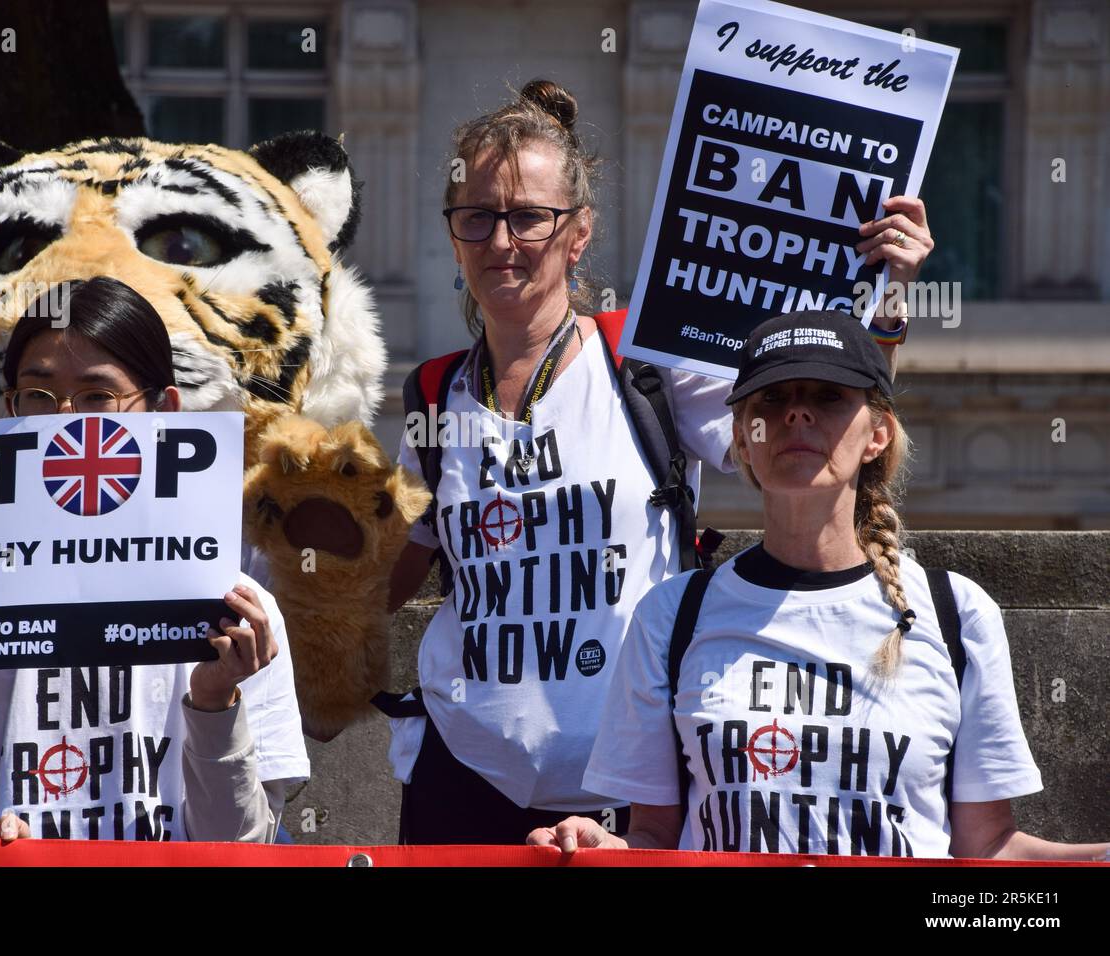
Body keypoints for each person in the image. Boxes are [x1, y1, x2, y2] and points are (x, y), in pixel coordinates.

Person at [384, 80, 934, 844]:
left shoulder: (643, 364)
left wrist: (889, 304)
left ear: (579, 235)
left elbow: (822, 439)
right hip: (461, 775)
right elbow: (374, 584)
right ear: (453, 235)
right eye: (477, 218)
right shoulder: (435, 394)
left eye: (529, 219)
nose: (502, 243)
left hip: (631, 783)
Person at [530, 310, 1110, 860]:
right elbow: (656, 837)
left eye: (829, 397)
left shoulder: (957, 613)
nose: (797, 415)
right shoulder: (671, 615)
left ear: (877, 433)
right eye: (773, 399)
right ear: (741, 434)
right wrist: (604, 847)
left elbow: (989, 848)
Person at [0, 276, 309, 842]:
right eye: (38, 395)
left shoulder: (236, 609)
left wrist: (214, 702)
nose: (66, 422)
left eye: (98, 396)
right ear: (9, 405)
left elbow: (243, 849)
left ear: (164, 409)